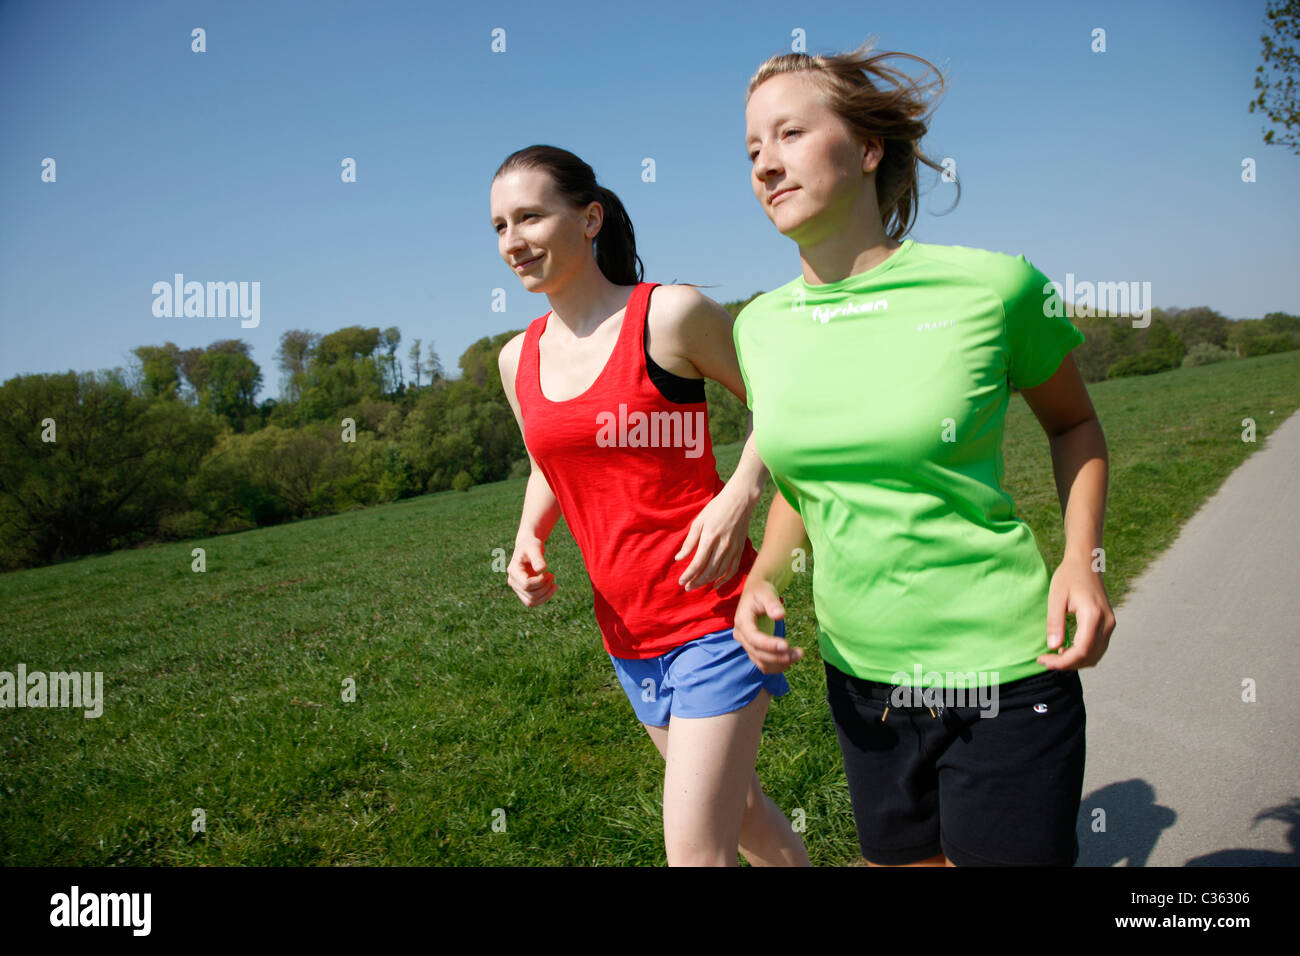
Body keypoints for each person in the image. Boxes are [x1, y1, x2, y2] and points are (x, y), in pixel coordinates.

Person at [731, 41, 1117, 867]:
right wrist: (763, 573)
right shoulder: (758, 327)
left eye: (791, 134)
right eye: (754, 149)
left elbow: (1074, 427)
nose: (767, 165)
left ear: (869, 149)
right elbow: (812, 477)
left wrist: (1081, 561)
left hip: (1007, 672)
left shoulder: (996, 288)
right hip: (862, 680)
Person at [491, 144, 810, 866]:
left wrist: (742, 492)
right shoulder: (518, 359)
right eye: (500, 226)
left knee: (693, 853)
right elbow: (552, 457)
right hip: (628, 633)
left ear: (590, 217)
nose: (513, 241)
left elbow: (782, 405)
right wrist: (528, 535)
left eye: (531, 216)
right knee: (746, 815)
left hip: (714, 613)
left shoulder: (669, 315)